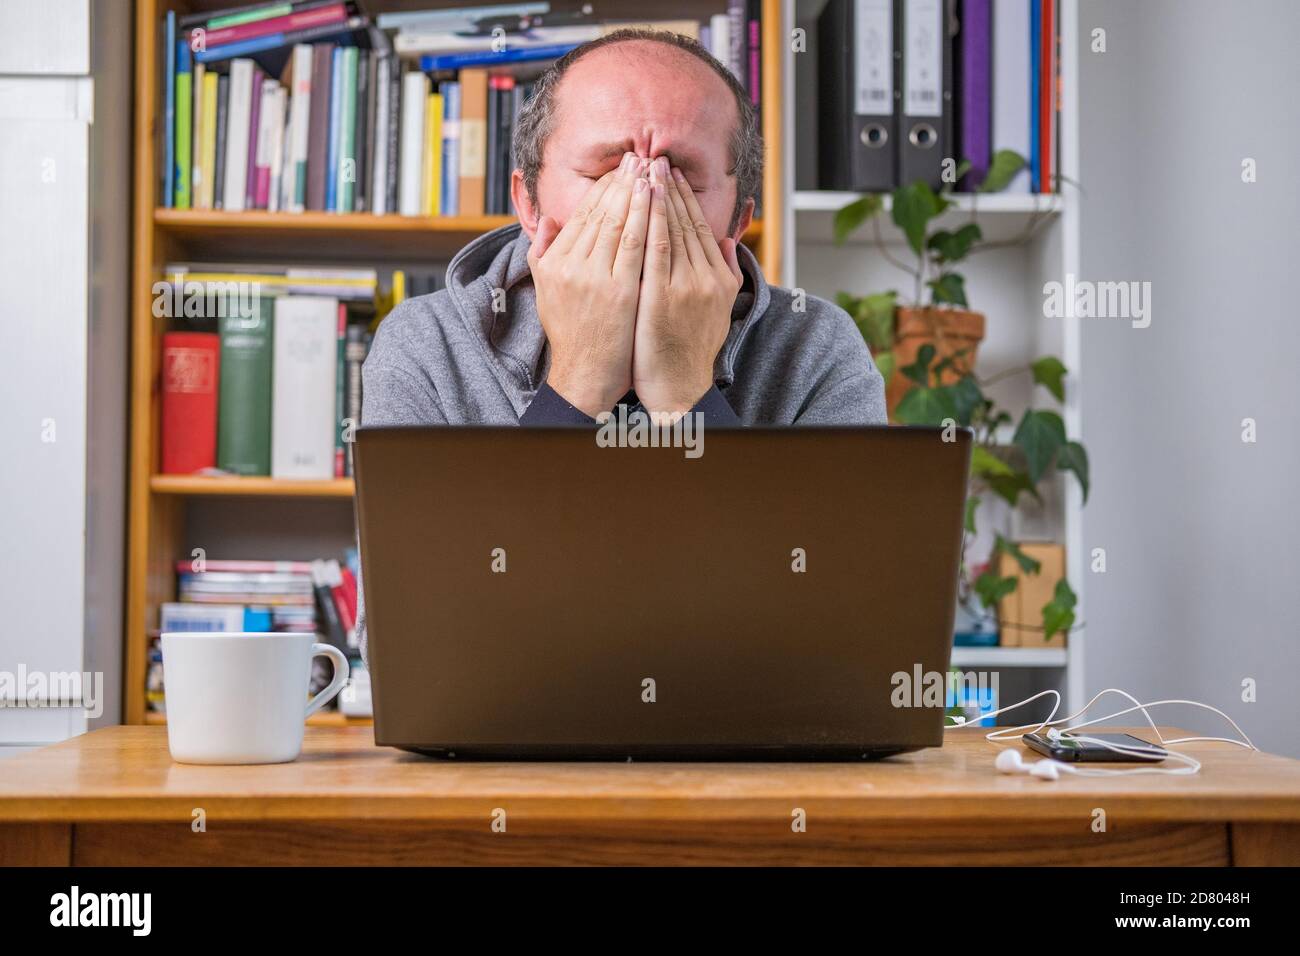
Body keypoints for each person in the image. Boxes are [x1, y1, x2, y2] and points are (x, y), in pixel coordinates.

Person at [355, 29, 887, 661]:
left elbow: (837, 642)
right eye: (606, 171)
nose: (645, 198)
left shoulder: (818, 349)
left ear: (738, 219)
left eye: (682, 173)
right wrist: (578, 380)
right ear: (530, 203)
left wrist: (686, 389)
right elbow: (419, 645)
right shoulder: (426, 346)